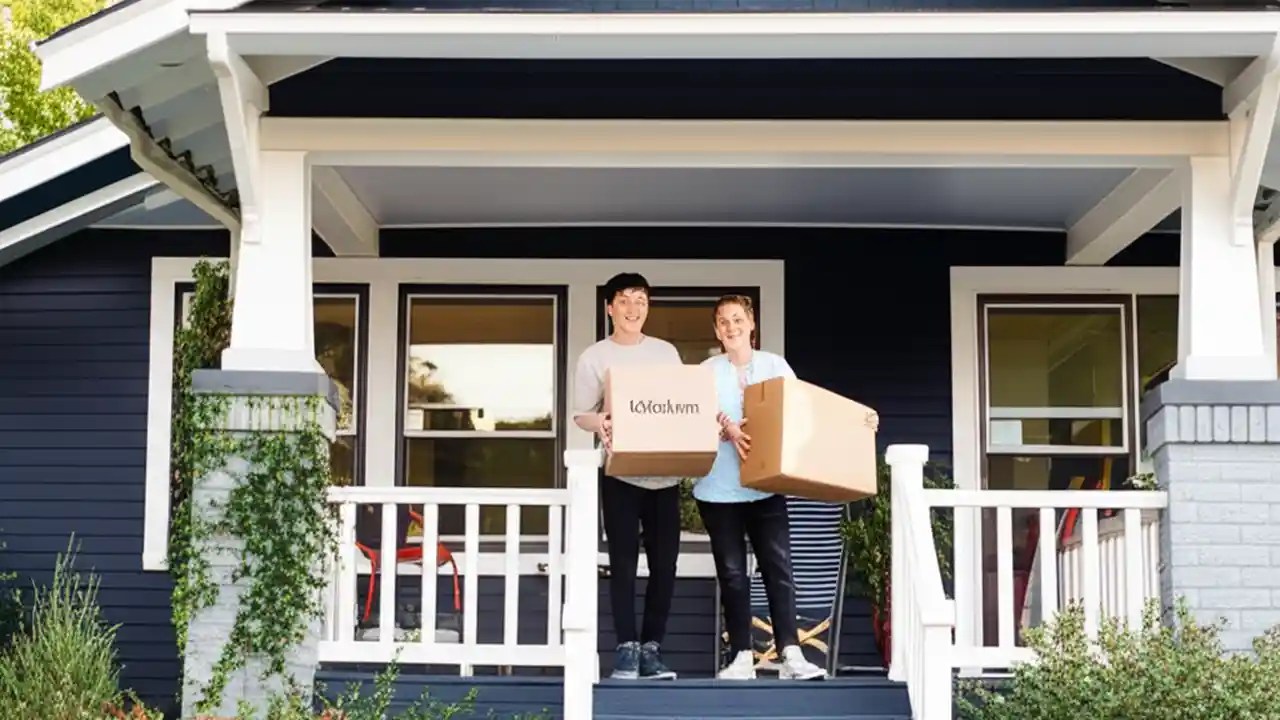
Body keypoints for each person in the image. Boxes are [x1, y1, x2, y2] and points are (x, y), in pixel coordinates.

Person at [694, 294, 828, 681]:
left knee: (778, 568)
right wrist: (726, 426)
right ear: (717, 330)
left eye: (738, 319)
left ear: (751, 324)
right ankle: (740, 656)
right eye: (723, 321)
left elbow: (797, 411)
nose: (731, 327)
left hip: (765, 486)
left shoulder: (775, 366)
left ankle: (790, 653)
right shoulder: (706, 370)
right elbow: (693, 411)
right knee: (733, 573)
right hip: (718, 488)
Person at [572, 272, 682, 681]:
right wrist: (603, 421)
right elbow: (581, 414)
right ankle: (625, 649)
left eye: (641, 300)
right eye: (625, 300)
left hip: (664, 474)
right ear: (609, 307)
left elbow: (679, 403)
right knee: (622, 563)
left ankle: (652, 648)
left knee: (665, 566)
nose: (633, 308)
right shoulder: (595, 357)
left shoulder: (666, 353)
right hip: (618, 473)